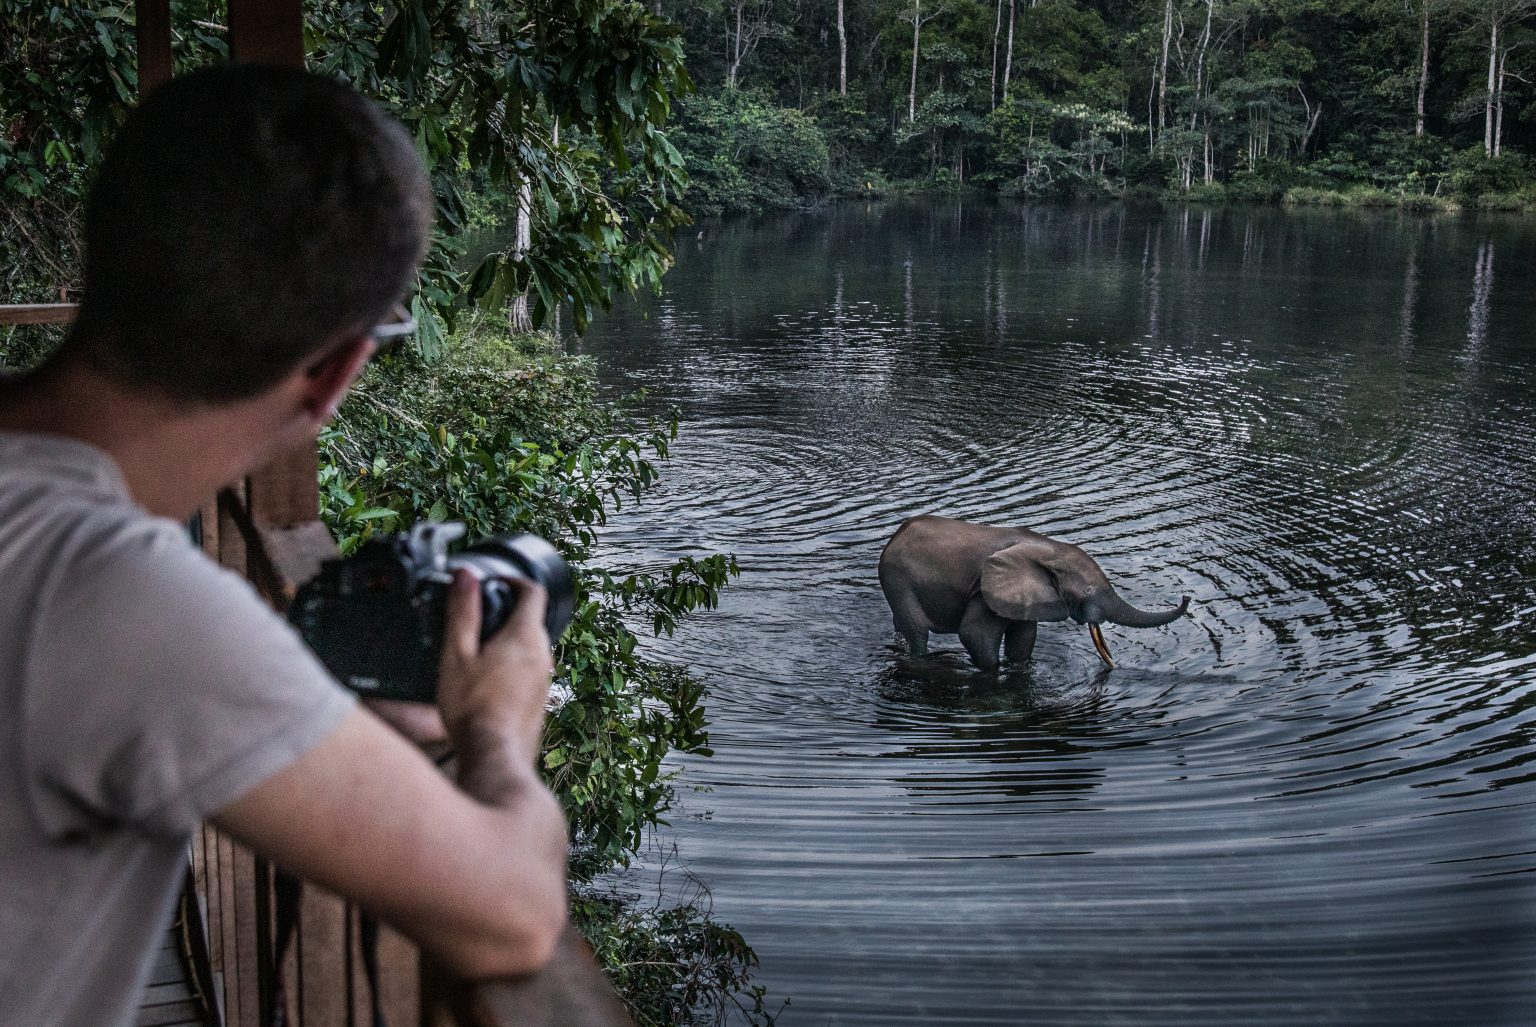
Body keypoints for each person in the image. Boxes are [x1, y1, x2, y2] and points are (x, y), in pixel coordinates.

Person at [0, 65, 569, 1027]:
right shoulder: (114, 596)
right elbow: (511, 914)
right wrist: (498, 729)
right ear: (336, 372)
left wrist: (311, 717)